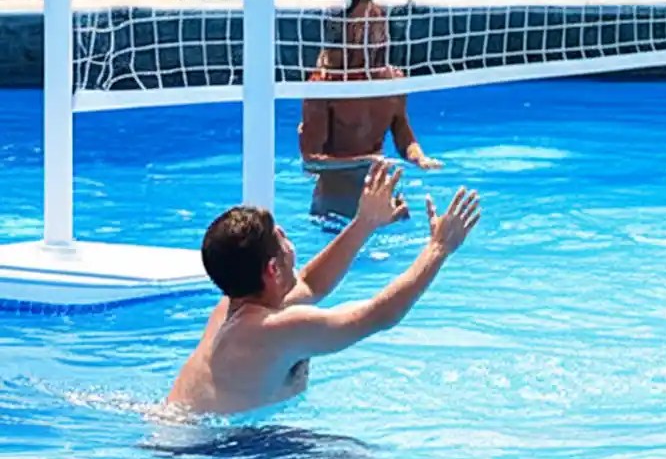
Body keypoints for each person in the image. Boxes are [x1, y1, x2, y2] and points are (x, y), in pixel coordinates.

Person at [165, 160, 481, 416]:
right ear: (273, 269)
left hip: (186, 434)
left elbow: (309, 284)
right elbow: (380, 315)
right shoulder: (276, 329)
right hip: (218, 449)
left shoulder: (232, 307)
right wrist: (439, 248)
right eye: (282, 237)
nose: (289, 241)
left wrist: (364, 222)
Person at [299, 0, 443, 224]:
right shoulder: (324, 84)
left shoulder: (393, 81)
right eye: (364, 22)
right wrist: (365, 161)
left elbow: (404, 136)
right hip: (336, 205)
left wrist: (420, 158)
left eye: (377, 18)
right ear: (345, 30)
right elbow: (311, 161)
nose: (375, 27)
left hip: (380, 195)